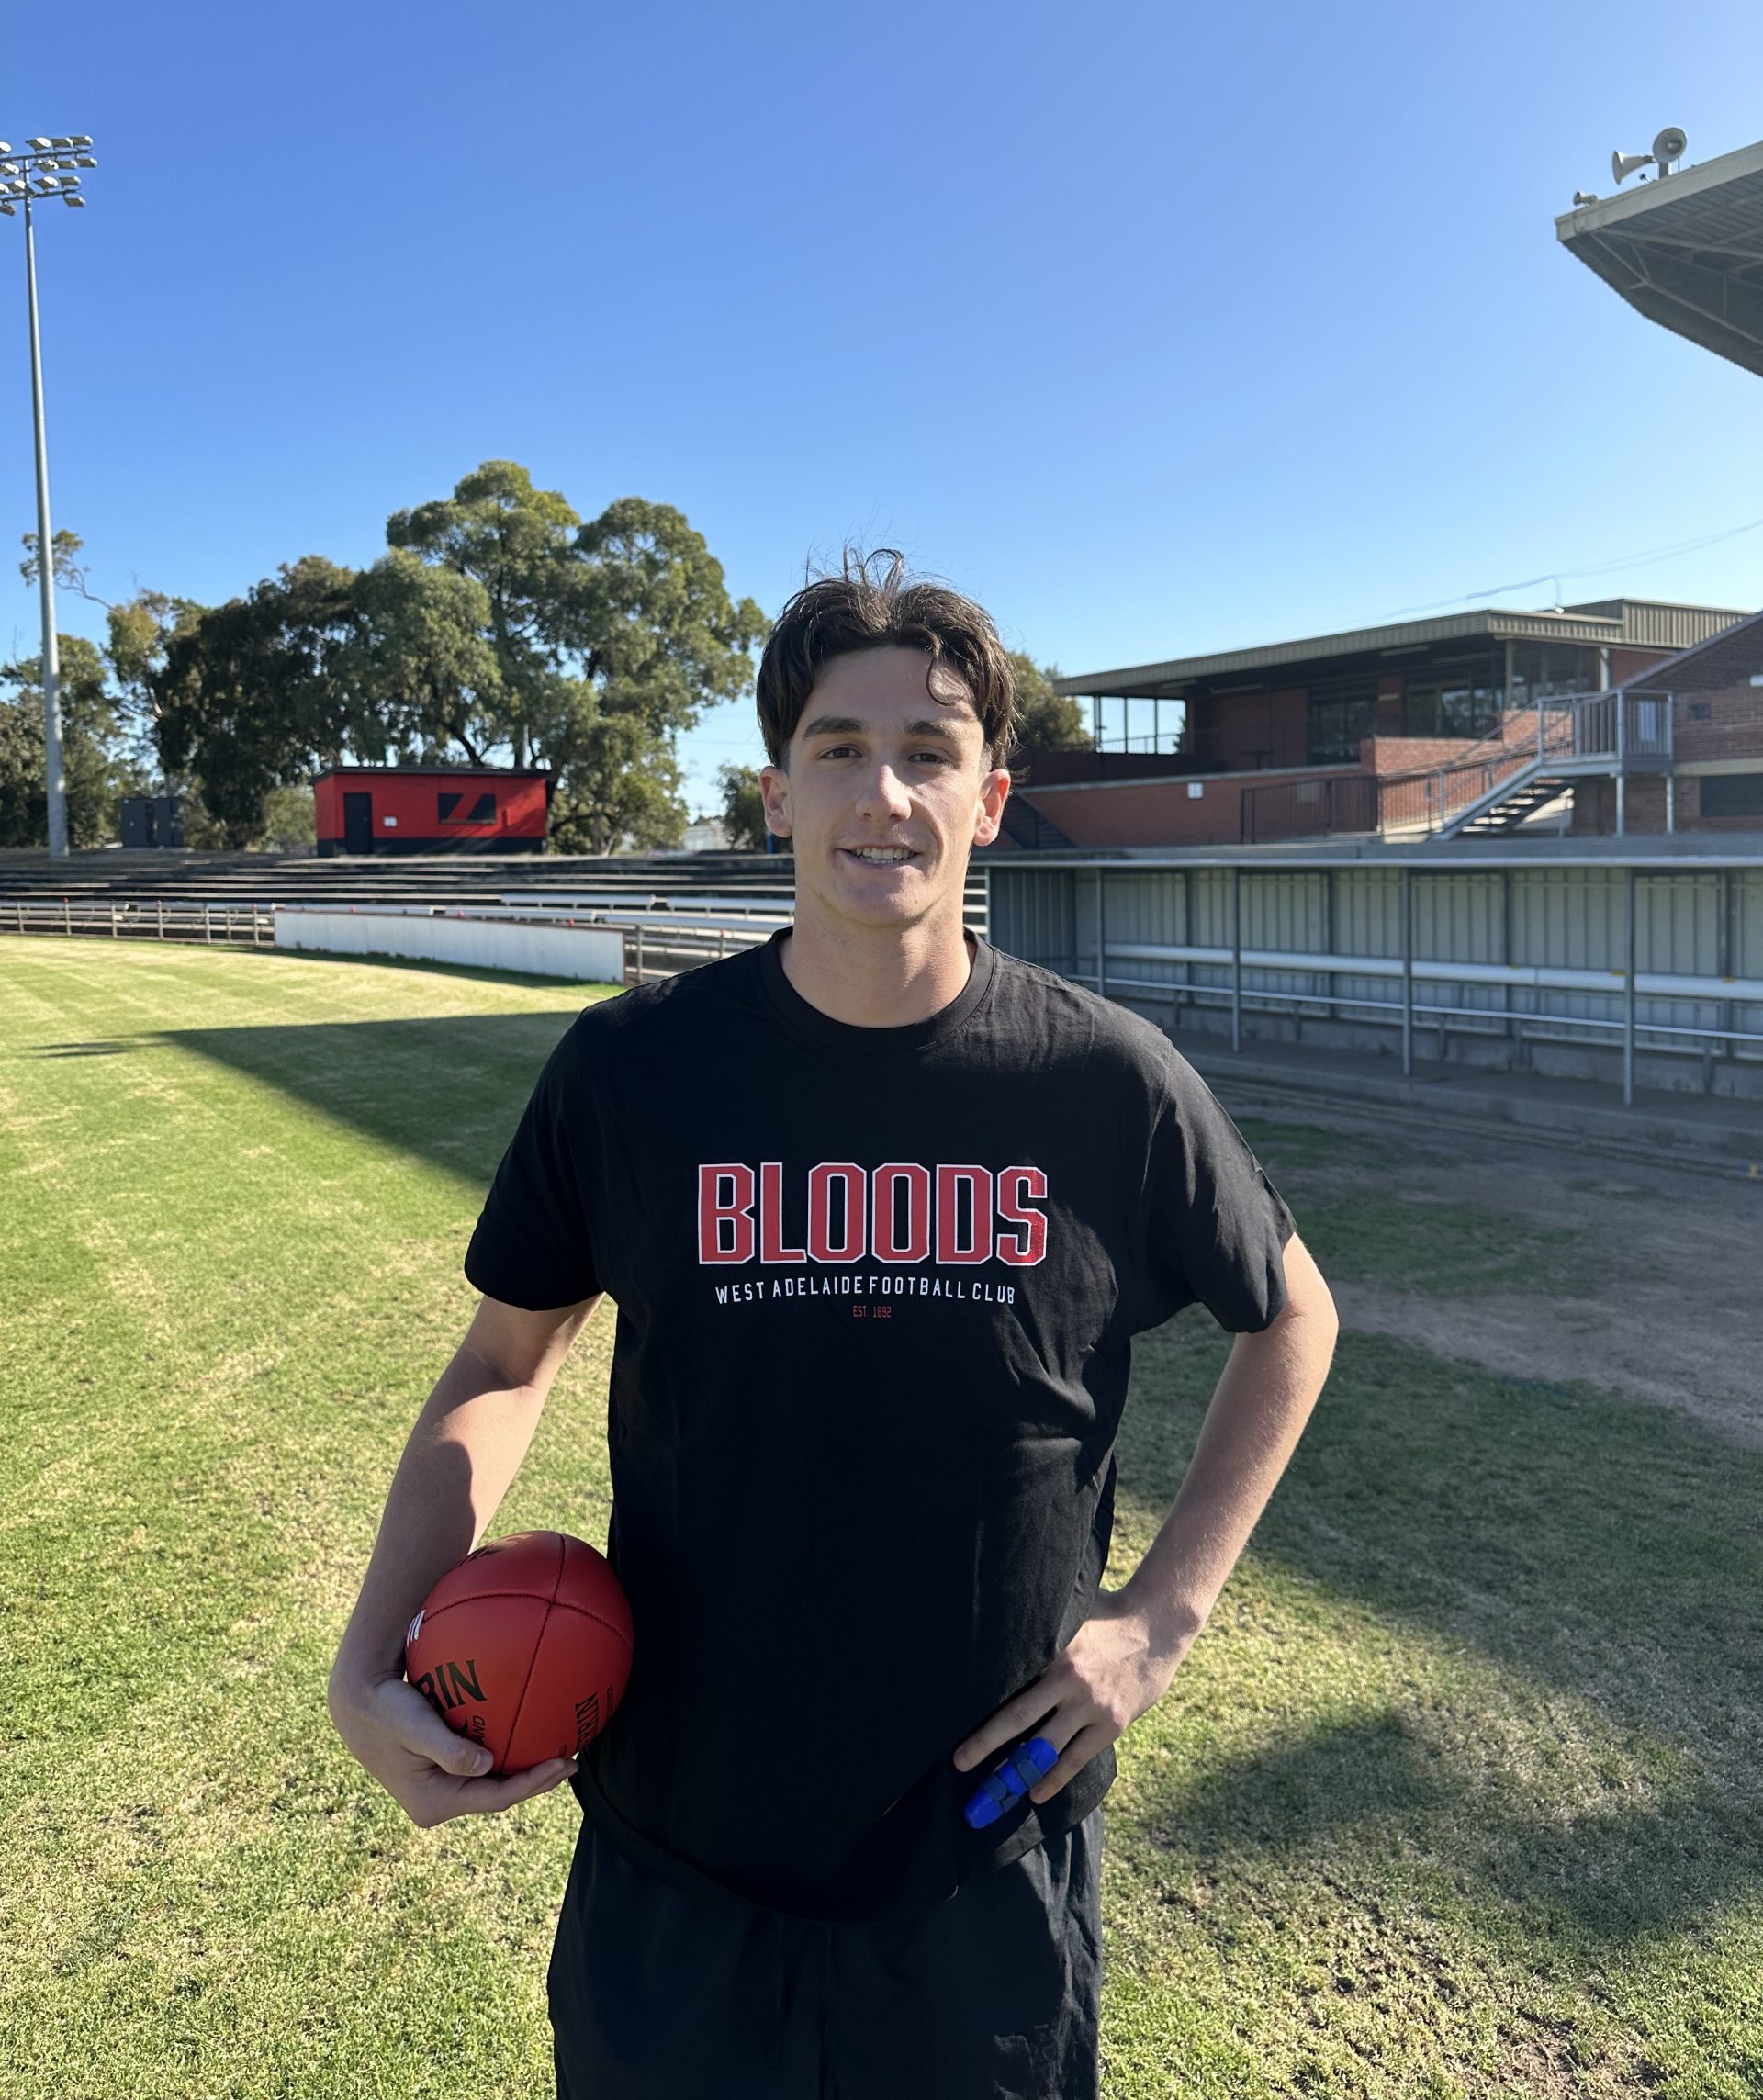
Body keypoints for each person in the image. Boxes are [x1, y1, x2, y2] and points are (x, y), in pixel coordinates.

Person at [328, 551, 1340, 2099]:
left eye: (931, 753)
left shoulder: (1104, 1082)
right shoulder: (633, 1076)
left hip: (983, 1860)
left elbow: (1295, 1317)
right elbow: (499, 1365)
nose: (887, 793)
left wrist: (1160, 1618)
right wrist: (367, 1656)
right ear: (778, 793)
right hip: (679, 1850)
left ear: (990, 799)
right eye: (840, 751)